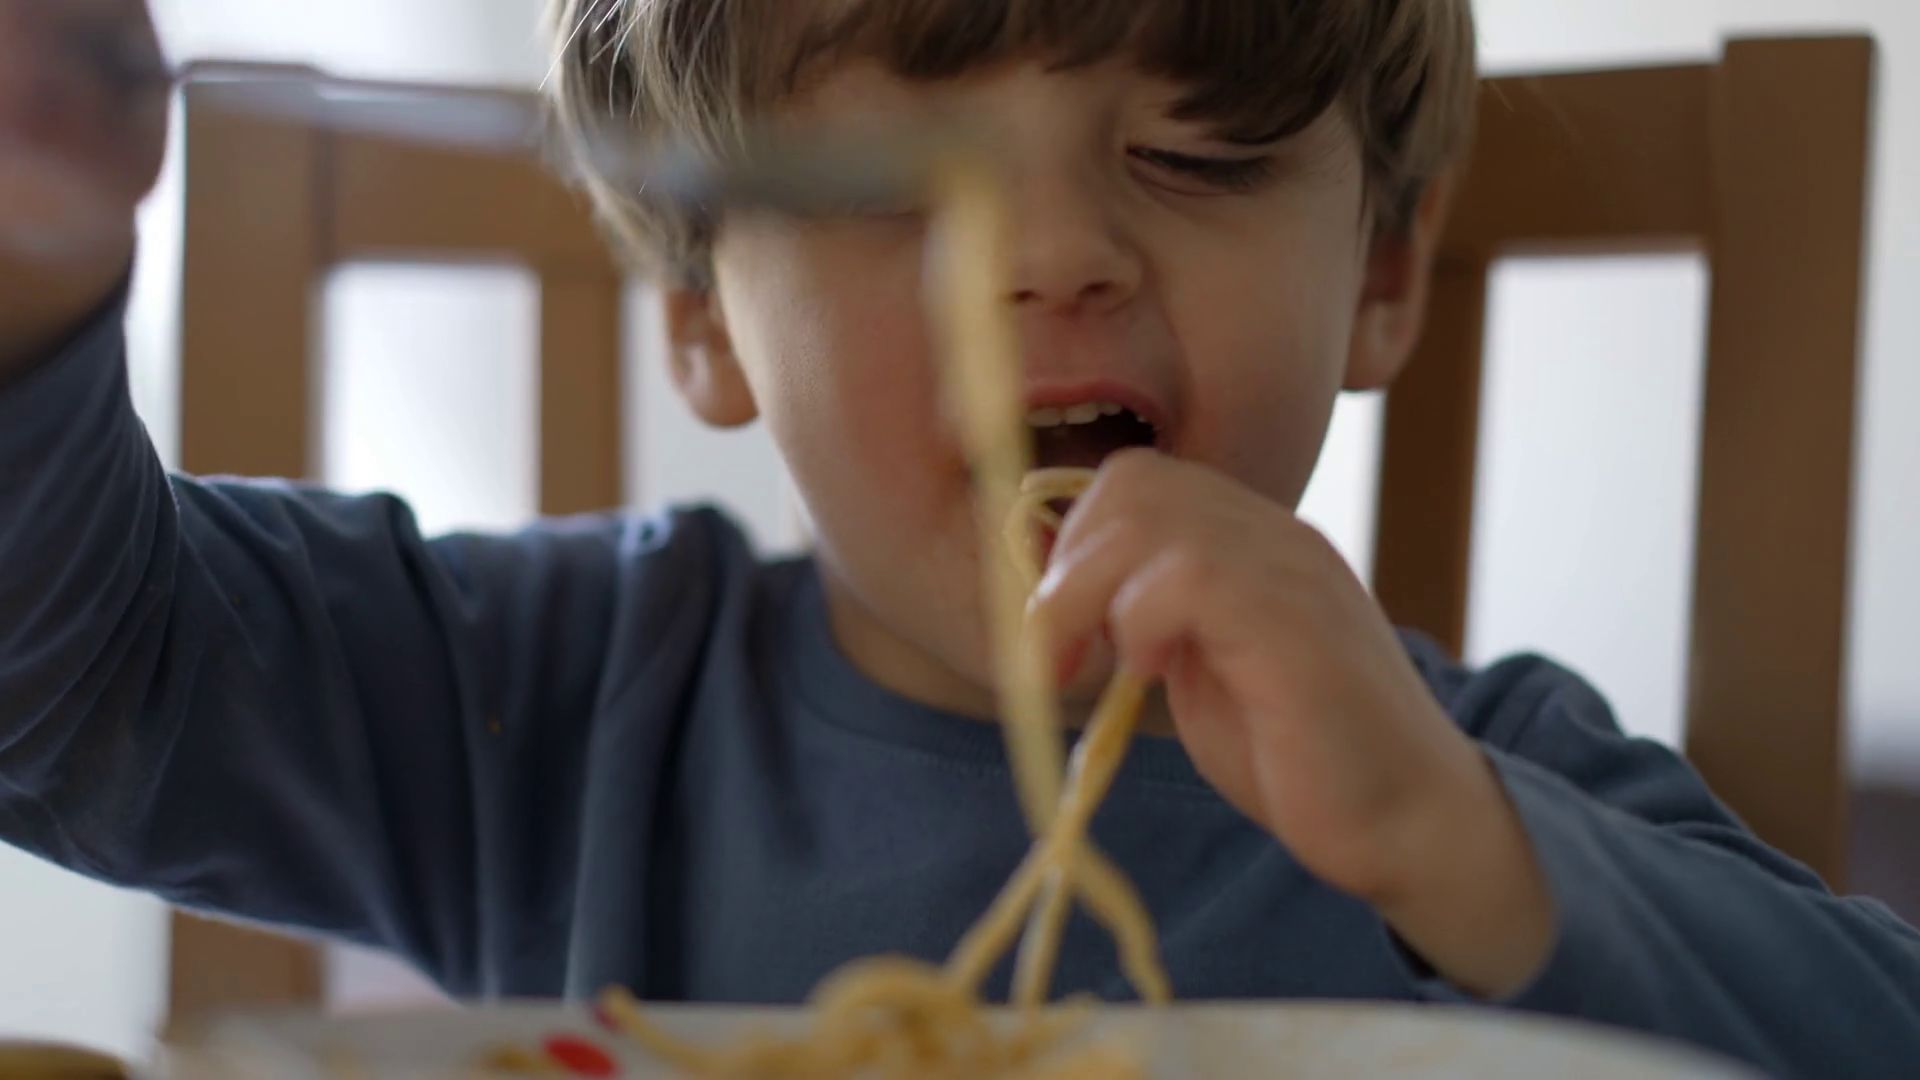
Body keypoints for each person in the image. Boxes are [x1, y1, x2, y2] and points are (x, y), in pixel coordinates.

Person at [2, 1, 1917, 1076]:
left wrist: (1453, 846)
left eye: (1197, 158)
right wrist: (31, 282)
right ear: (699, 310)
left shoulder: (1471, 783)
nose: (1062, 256)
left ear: (1383, 275)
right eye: (902, 183)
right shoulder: (556, 708)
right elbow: (75, 684)